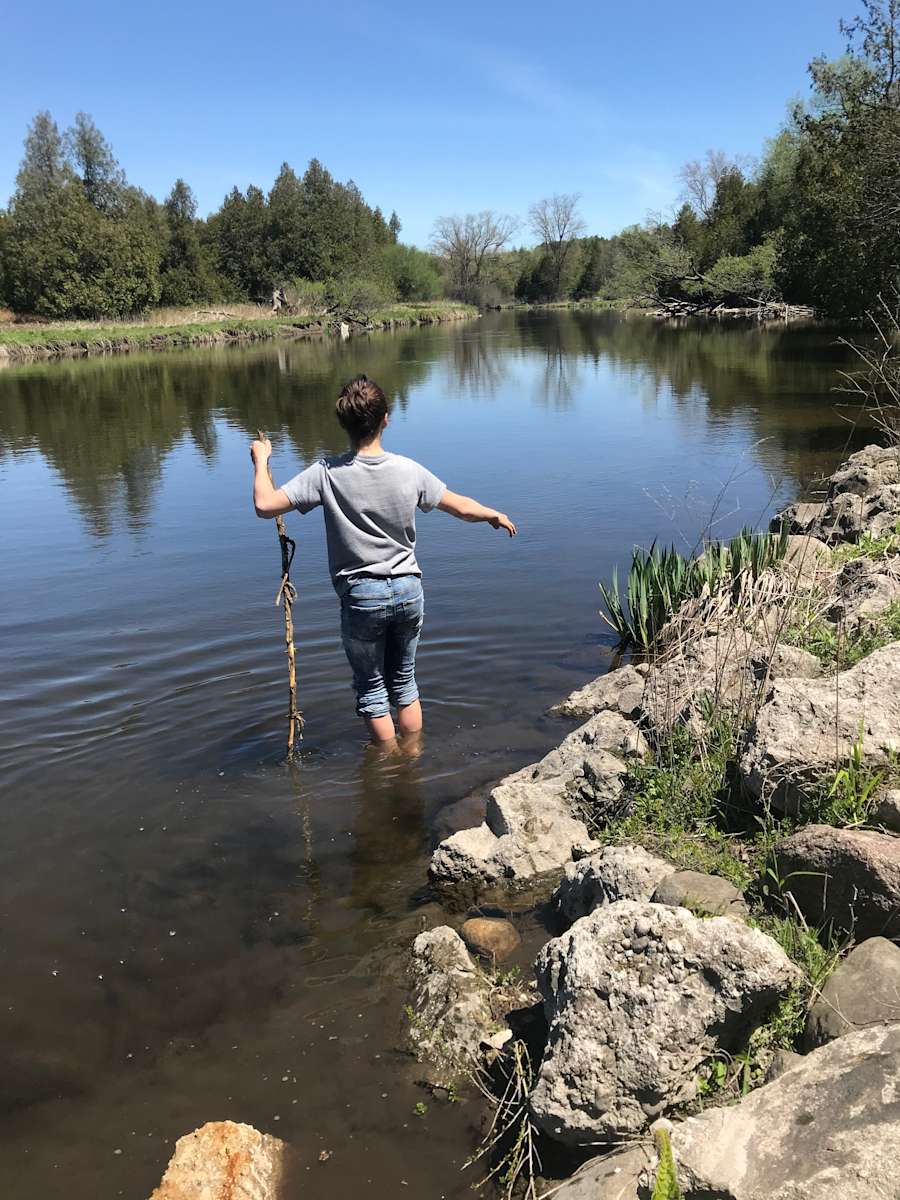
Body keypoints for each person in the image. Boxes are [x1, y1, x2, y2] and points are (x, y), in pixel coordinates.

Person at [251, 374, 517, 744]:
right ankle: (411, 760)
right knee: (404, 682)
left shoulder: (325, 474)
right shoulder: (409, 470)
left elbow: (265, 505)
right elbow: (459, 507)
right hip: (409, 590)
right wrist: (492, 514)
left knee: (372, 688)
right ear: (386, 419)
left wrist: (261, 461)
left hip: (362, 596)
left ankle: (390, 768)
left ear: (342, 422)